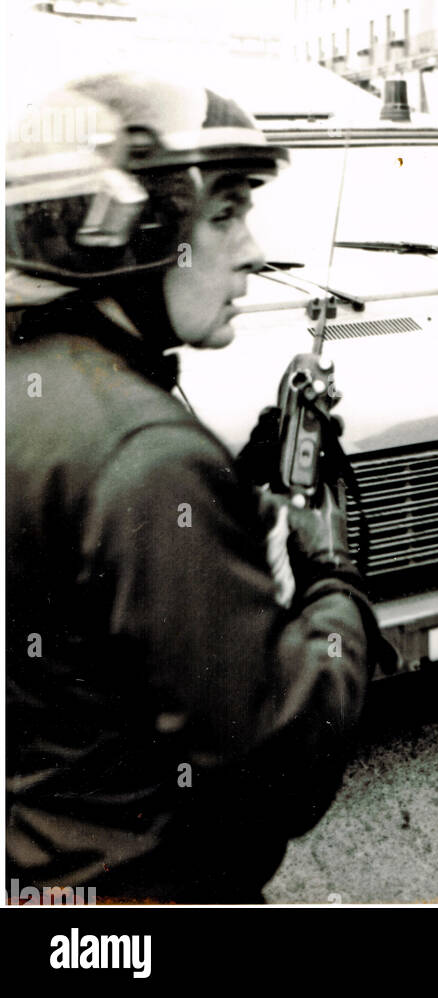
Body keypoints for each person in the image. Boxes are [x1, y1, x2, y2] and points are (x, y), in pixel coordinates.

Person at [6, 73, 383, 903]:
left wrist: (237, 482)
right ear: (134, 232)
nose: (252, 248)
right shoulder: (144, 452)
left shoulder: (32, 388)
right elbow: (281, 765)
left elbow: (90, 617)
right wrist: (334, 579)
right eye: (225, 214)